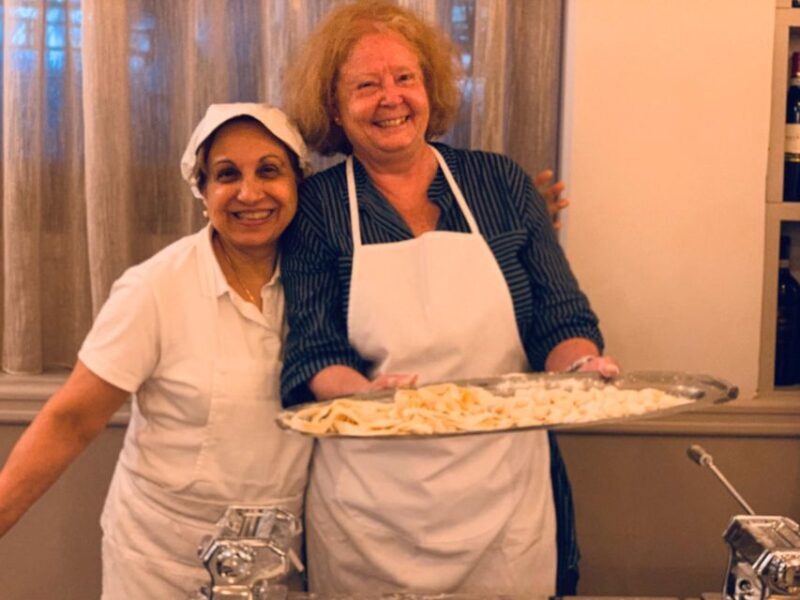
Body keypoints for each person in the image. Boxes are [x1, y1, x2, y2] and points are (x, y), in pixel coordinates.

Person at [279, 1, 618, 595]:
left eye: (405, 78)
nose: (391, 98)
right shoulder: (319, 207)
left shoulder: (501, 184)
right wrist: (366, 396)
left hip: (505, 500)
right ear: (334, 107)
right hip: (370, 507)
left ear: (430, 88)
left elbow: (561, 320)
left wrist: (580, 366)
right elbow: (314, 351)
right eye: (366, 85)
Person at [0, 103, 314, 599]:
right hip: (164, 565)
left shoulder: (322, 283)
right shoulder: (154, 289)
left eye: (269, 171)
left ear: (298, 183)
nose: (249, 193)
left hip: (279, 563)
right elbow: (72, 420)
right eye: (227, 174)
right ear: (202, 190)